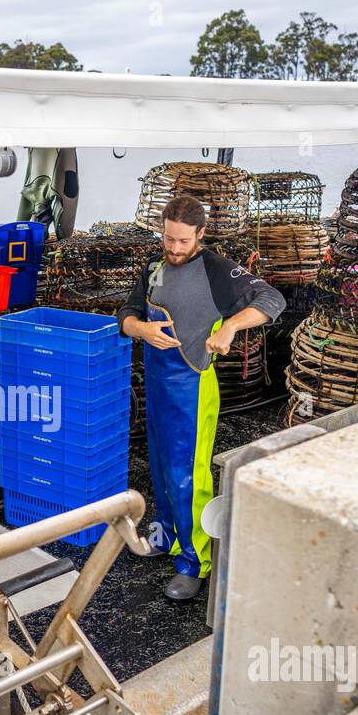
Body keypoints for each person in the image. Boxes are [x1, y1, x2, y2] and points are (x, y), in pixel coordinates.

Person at [117, 196, 286, 601]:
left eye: (182, 241)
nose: (174, 249)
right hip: (157, 385)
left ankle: (194, 562)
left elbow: (271, 300)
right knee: (158, 467)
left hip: (191, 387)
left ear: (201, 235)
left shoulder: (217, 270)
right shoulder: (154, 267)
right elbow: (126, 312)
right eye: (168, 238)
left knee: (187, 477)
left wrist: (230, 326)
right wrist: (141, 329)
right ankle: (165, 535)